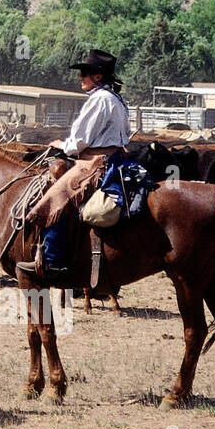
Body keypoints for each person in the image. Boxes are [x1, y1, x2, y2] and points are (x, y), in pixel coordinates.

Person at [17, 49, 130, 284]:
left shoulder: (100, 100)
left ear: (98, 76)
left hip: (94, 163)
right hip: (115, 158)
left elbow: (80, 140)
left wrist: (62, 145)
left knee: (55, 199)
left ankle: (51, 260)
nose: (81, 77)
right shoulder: (115, 98)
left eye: (85, 73)